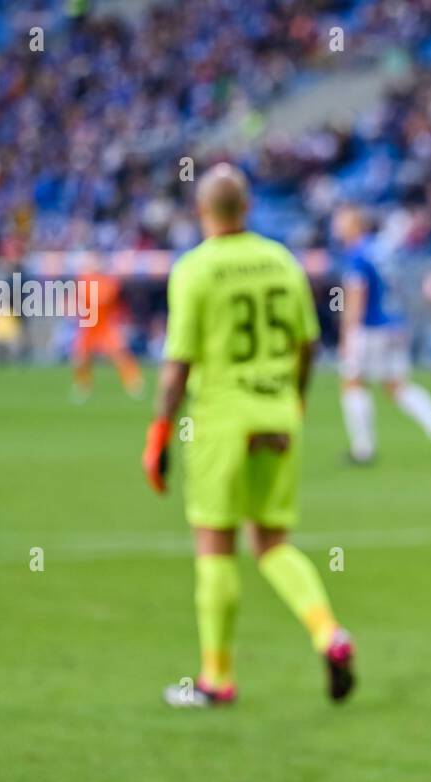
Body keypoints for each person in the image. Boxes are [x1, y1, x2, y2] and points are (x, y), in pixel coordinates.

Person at [142, 164, 355, 707]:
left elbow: (178, 367)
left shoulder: (195, 269)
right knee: (273, 544)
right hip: (278, 416)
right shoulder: (282, 261)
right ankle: (328, 633)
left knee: (215, 544)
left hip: (222, 423)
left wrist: (160, 433)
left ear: (202, 212)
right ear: (249, 206)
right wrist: (296, 402)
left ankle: (217, 678)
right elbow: (309, 343)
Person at [333, 205, 431, 463]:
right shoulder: (382, 251)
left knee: (352, 382)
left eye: (342, 221)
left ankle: (363, 449)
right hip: (394, 324)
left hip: (369, 328)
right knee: (397, 386)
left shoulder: (357, 256)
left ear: (355, 225)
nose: (337, 227)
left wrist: (346, 335)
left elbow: (355, 297)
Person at [71, 271, 143, 400]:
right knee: (80, 357)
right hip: (89, 325)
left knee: (120, 355)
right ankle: (83, 385)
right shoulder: (83, 281)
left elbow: (116, 303)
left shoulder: (110, 283)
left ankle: (134, 383)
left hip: (106, 325)